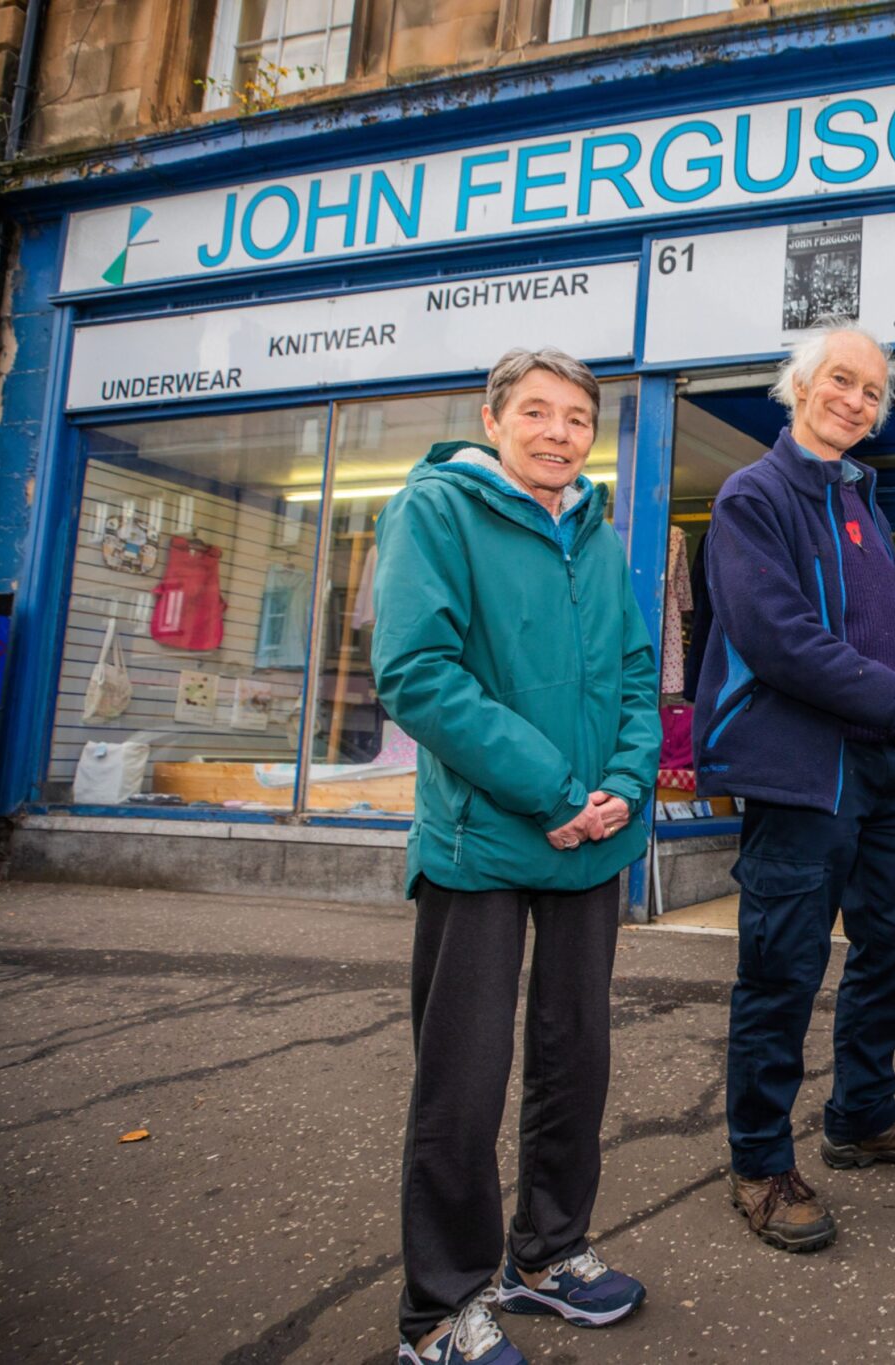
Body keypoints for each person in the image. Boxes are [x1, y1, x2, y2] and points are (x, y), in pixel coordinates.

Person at [373, 348, 658, 1365]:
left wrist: (623, 784)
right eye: (536, 412)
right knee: (463, 1080)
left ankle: (548, 1253)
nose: (558, 433)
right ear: (493, 421)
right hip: (483, 842)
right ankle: (440, 1310)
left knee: (575, 1061)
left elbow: (636, 672)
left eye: (577, 418)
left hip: (591, 843)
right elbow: (417, 673)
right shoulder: (435, 510)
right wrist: (555, 791)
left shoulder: (597, 531)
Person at [694, 323, 895, 1254]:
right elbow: (782, 642)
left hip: (886, 768)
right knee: (782, 969)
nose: (856, 400)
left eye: (872, 391)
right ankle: (760, 1161)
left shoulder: (862, 499)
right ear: (801, 385)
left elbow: (889, 641)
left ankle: (862, 1113)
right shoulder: (754, 496)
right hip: (801, 773)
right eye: (841, 380)